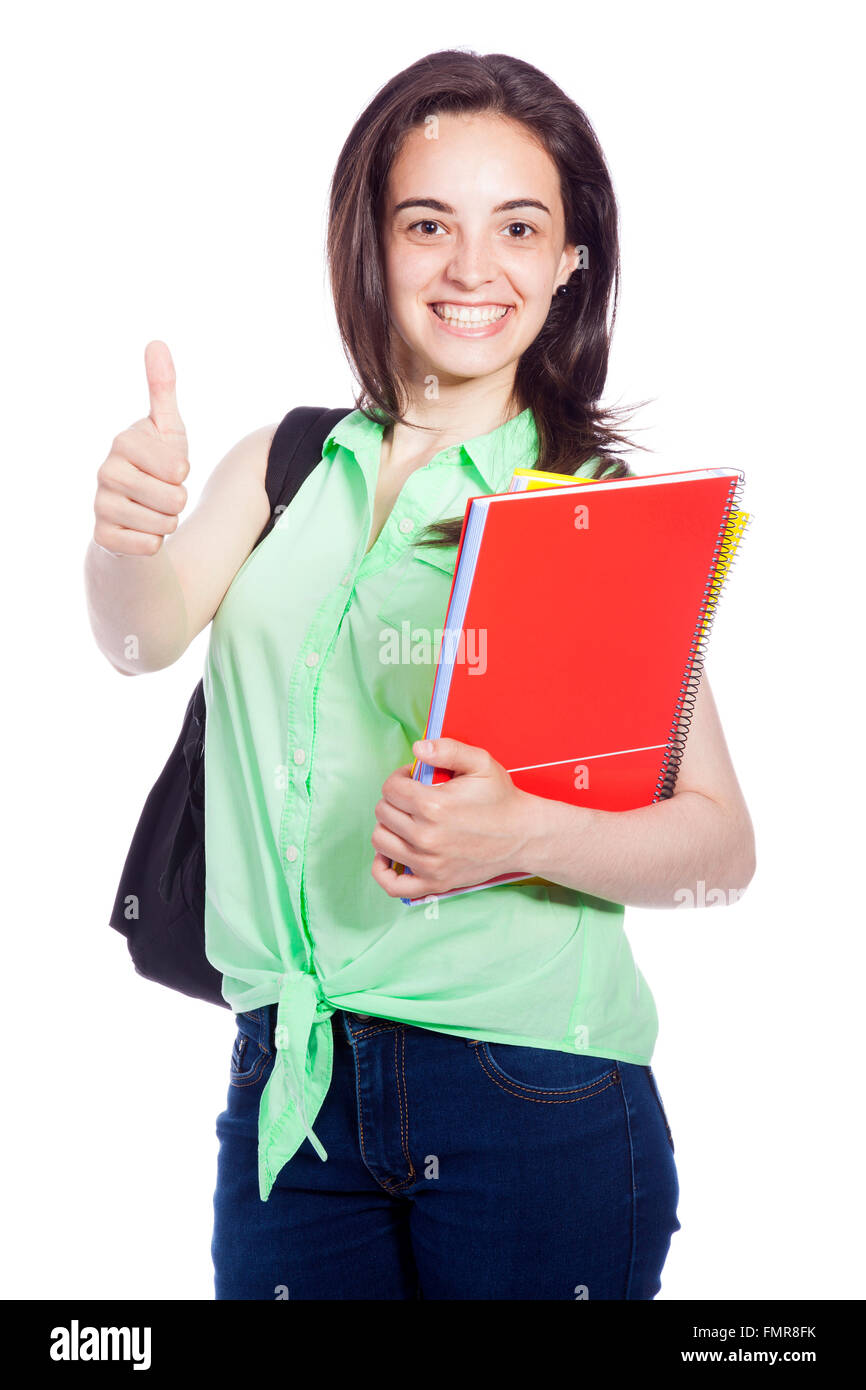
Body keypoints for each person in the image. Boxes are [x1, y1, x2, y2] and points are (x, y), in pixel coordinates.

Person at [85, 49, 755, 1300]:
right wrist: (124, 541)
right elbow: (141, 637)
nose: (467, 267)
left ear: (569, 263)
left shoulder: (583, 517)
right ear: (370, 242)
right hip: (291, 1079)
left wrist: (522, 832)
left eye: (517, 227)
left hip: (527, 1088)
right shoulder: (280, 465)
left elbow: (718, 849)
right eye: (426, 222)